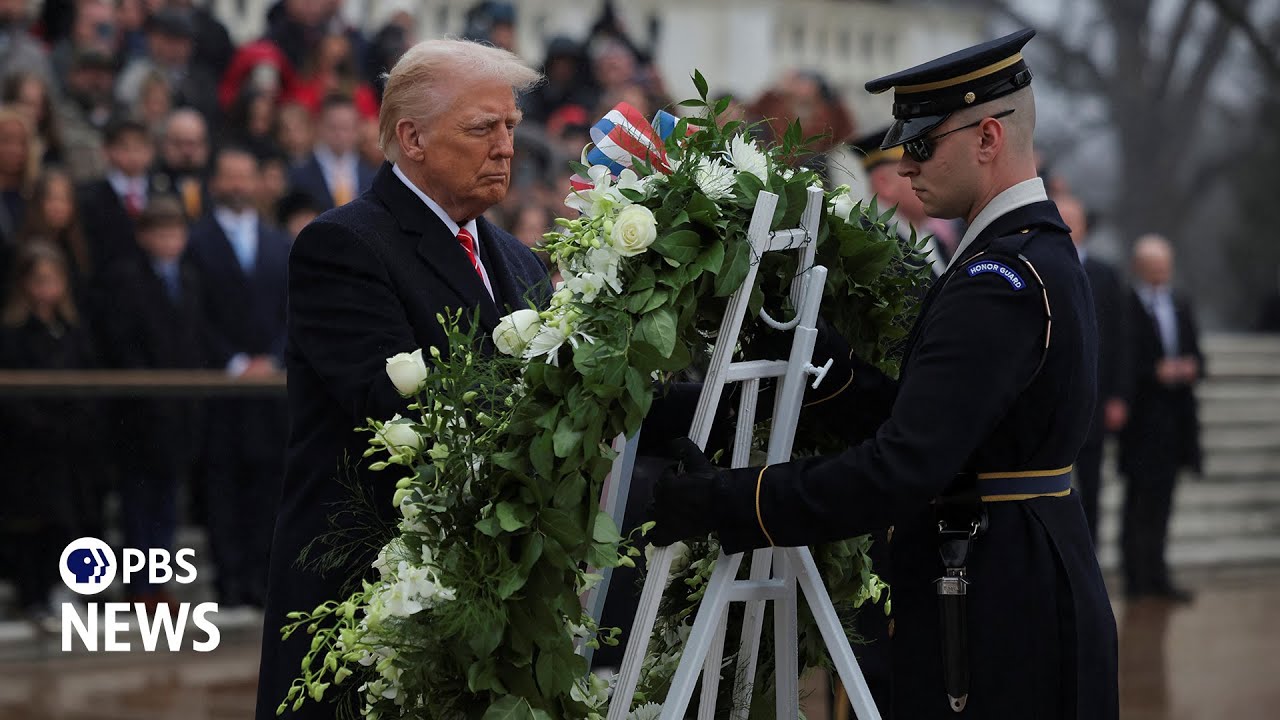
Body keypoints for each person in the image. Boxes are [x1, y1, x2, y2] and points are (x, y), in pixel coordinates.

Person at [649, 29, 1118, 719]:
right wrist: (836, 375)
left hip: (999, 603)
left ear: (988, 137)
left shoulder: (999, 277)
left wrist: (730, 500)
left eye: (922, 145)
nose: (903, 168)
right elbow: (956, 435)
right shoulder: (1024, 254)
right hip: (1012, 573)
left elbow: (903, 469)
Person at [254, 38, 548, 720]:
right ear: (412, 138)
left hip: (491, 596)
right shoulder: (345, 247)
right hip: (368, 594)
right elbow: (398, 408)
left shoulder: (520, 261)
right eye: (482, 128)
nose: (505, 147)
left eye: (510, 127)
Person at [186, 146, 290, 609]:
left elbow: (295, 310)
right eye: (229, 176)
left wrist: (274, 357)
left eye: (245, 176)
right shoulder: (196, 241)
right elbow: (193, 315)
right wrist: (230, 361)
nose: (237, 186)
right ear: (215, 183)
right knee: (223, 489)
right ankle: (230, 584)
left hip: (271, 388)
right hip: (219, 389)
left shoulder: (278, 242)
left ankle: (262, 582)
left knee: (269, 489)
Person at [97, 196, 209, 609]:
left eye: (176, 233)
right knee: (138, 501)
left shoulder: (190, 278)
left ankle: (158, 583)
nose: (170, 241)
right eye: (161, 233)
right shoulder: (126, 277)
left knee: (166, 499)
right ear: (144, 236)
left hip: (180, 407)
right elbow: (121, 340)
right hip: (140, 411)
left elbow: (196, 336)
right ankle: (138, 585)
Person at [0, 241, 100, 628]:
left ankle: (66, 589)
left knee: (72, 519)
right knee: (34, 522)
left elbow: (90, 379)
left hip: (71, 444)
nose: (47, 289)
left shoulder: (73, 330)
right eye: (39, 280)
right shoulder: (12, 333)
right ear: (25, 284)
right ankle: (34, 595)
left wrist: (76, 421)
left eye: (54, 280)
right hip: (29, 445)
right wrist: (42, 423)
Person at [1118, 234, 1203, 603]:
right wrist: (1155, 372)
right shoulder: (1126, 305)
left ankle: (1159, 575)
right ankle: (1136, 578)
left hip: (1176, 420)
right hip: (1141, 421)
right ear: (1140, 268)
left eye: (1164, 268)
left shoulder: (1180, 304)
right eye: (1153, 268)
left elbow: (1197, 351)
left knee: (1165, 502)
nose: (1160, 275)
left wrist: (1190, 366)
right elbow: (1122, 360)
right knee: (1138, 502)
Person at [1057, 194, 1131, 544]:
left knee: (1092, 486)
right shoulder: (1038, 266)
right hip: (1054, 403)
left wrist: (1117, 395)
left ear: (1085, 226)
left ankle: (1091, 559)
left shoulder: (1105, 274)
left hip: (1096, 400)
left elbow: (1120, 338)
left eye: (1075, 221)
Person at [851, 127, 950, 279]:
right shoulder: (869, 245)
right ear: (884, 182)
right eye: (916, 167)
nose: (935, 175)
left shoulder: (932, 239)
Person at [287, 93, 378, 210]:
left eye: (346, 127)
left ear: (356, 129)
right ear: (320, 126)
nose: (340, 135)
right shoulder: (299, 175)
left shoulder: (372, 176)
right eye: (333, 127)